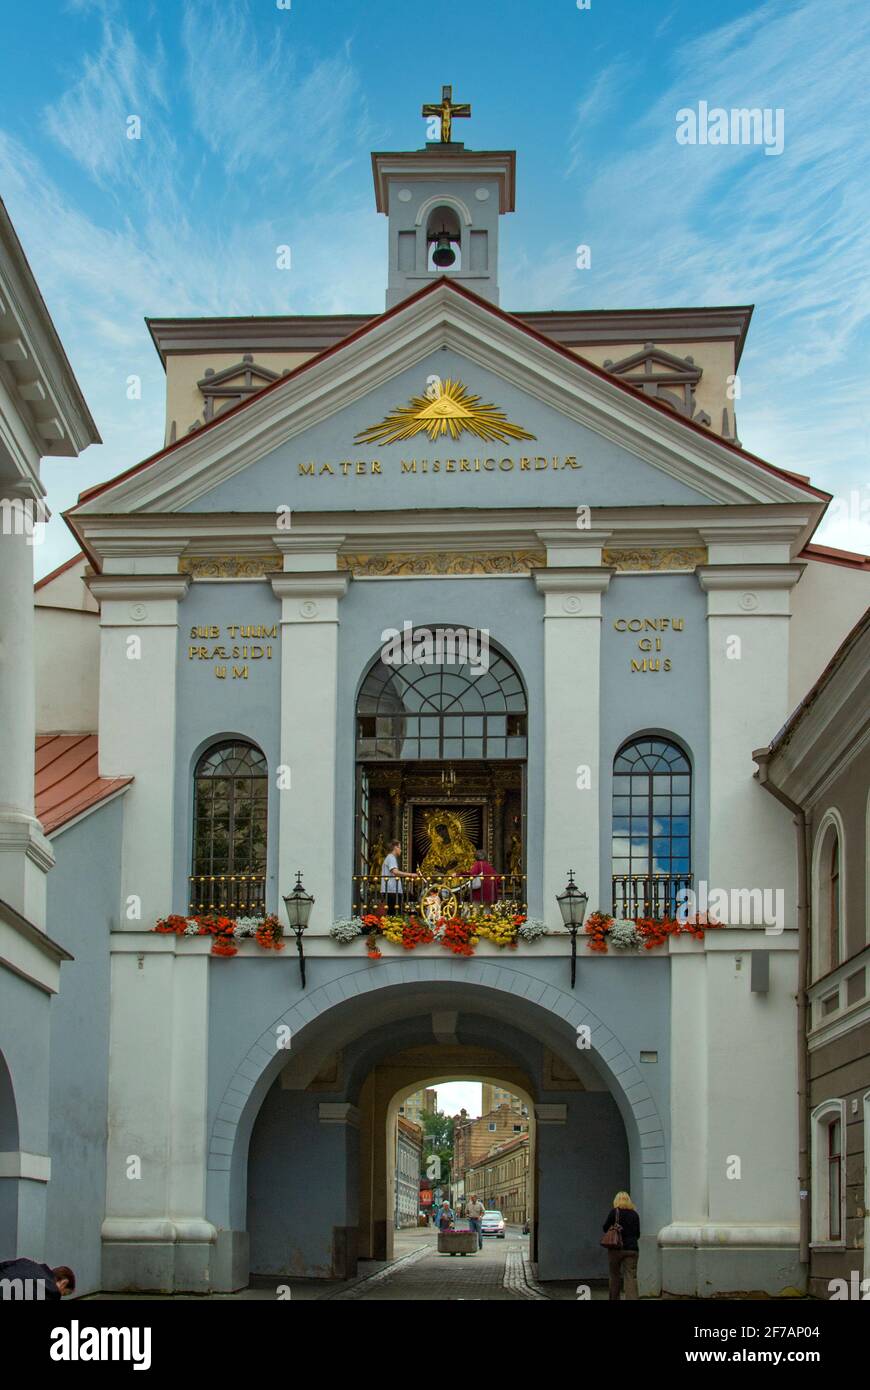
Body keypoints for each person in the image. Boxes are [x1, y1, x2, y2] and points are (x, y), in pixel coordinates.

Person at [602, 1191, 640, 1300]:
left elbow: (605, 1228)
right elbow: (637, 1233)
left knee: (614, 1276)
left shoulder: (614, 1212)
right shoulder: (635, 1214)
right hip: (632, 1250)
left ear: (616, 1201)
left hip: (616, 1249)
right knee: (631, 1277)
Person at [0, 1258, 75, 1300]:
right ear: (63, 1283)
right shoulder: (52, 1293)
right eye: (63, 1293)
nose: (61, 1296)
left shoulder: (25, 1262)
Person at [380, 840, 416, 910]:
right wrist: (410, 874)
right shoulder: (391, 857)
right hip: (391, 890)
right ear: (395, 847)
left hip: (391, 890)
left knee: (393, 912)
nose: (401, 850)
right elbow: (395, 872)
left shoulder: (390, 858)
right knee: (393, 913)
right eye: (400, 848)